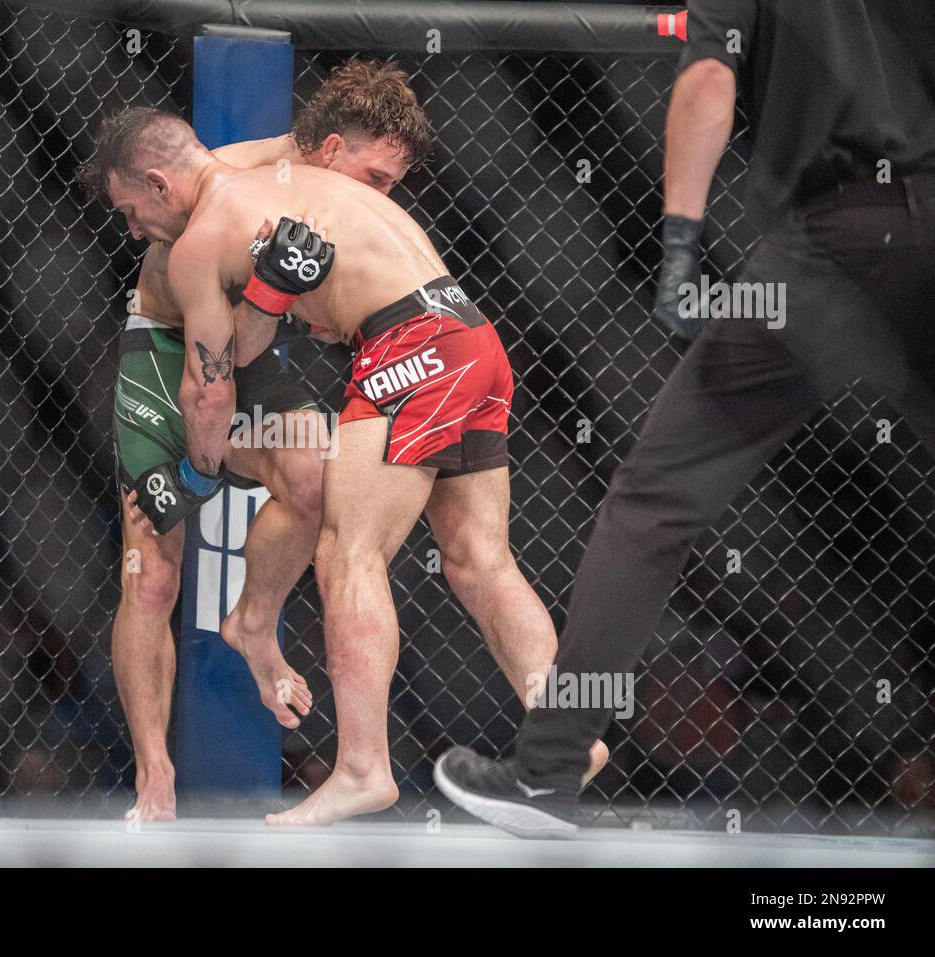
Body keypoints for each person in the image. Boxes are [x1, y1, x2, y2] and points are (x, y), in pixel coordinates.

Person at [435, 0, 935, 837]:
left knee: (656, 493)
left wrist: (678, 245)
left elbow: (707, 78)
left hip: (840, 234)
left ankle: (547, 769)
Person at [79, 106, 608, 826]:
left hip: (407, 346)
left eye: (132, 211)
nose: (133, 230)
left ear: (157, 182)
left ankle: (361, 766)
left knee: (349, 553)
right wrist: (272, 291)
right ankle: (562, 740)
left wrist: (198, 479)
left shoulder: (208, 232)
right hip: (472, 336)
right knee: (481, 558)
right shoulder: (296, 185)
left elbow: (213, 385)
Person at [96, 61, 433, 821]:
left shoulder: (321, 198)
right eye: (373, 177)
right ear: (331, 149)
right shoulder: (240, 172)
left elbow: (242, 355)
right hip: (167, 355)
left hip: (235, 359)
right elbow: (204, 375)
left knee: (319, 481)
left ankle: (253, 620)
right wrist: (196, 471)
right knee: (150, 568)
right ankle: (156, 776)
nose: (377, 200)